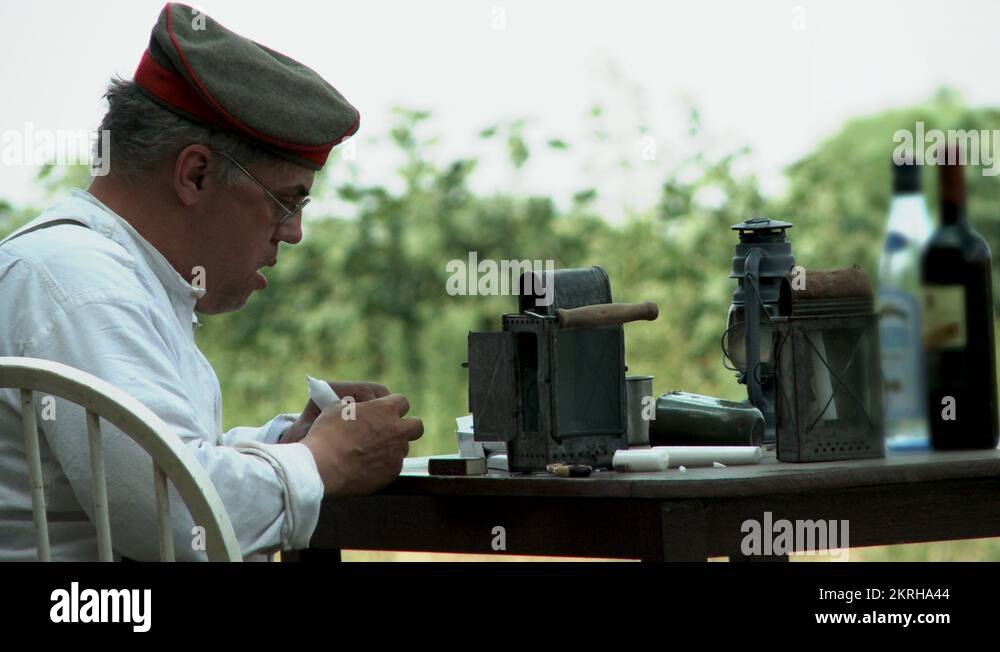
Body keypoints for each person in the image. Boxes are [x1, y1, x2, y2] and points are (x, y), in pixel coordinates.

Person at [0, 3, 422, 561]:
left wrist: (293, 444)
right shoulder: (84, 286)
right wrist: (323, 461)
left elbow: (173, 463)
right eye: (285, 202)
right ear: (195, 174)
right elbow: (176, 518)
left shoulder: (102, 274)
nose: (293, 233)